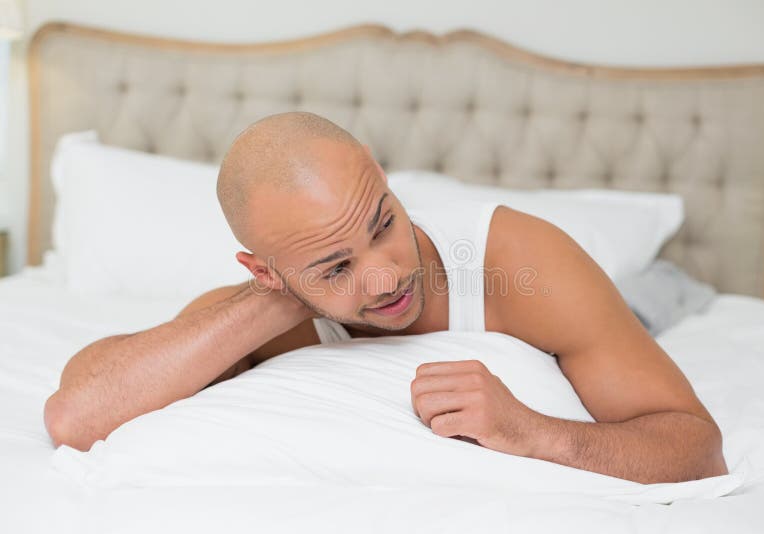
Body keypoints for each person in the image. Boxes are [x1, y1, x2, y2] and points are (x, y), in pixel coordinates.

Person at [44, 111, 728, 484]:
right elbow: (75, 417)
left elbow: (696, 447)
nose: (386, 278)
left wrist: (537, 434)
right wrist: (281, 300)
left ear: (377, 169)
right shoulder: (268, 308)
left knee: (650, 301)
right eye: (335, 266)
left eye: (383, 223)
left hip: (572, 295)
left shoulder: (524, 259)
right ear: (265, 271)